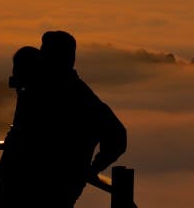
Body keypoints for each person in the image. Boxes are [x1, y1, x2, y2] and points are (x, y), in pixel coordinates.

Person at [37, 30, 127, 208]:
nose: (41, 57)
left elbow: (117, 135)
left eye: (45, 52)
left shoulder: (77, 96)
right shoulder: (59, 91)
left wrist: (92, 168)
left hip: (57, 184)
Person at [0, 46, 43, 207]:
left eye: (16, 67)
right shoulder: (30, 94)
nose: (13, 73)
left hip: (16, 172)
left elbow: (22, 130)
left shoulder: (30, 97)